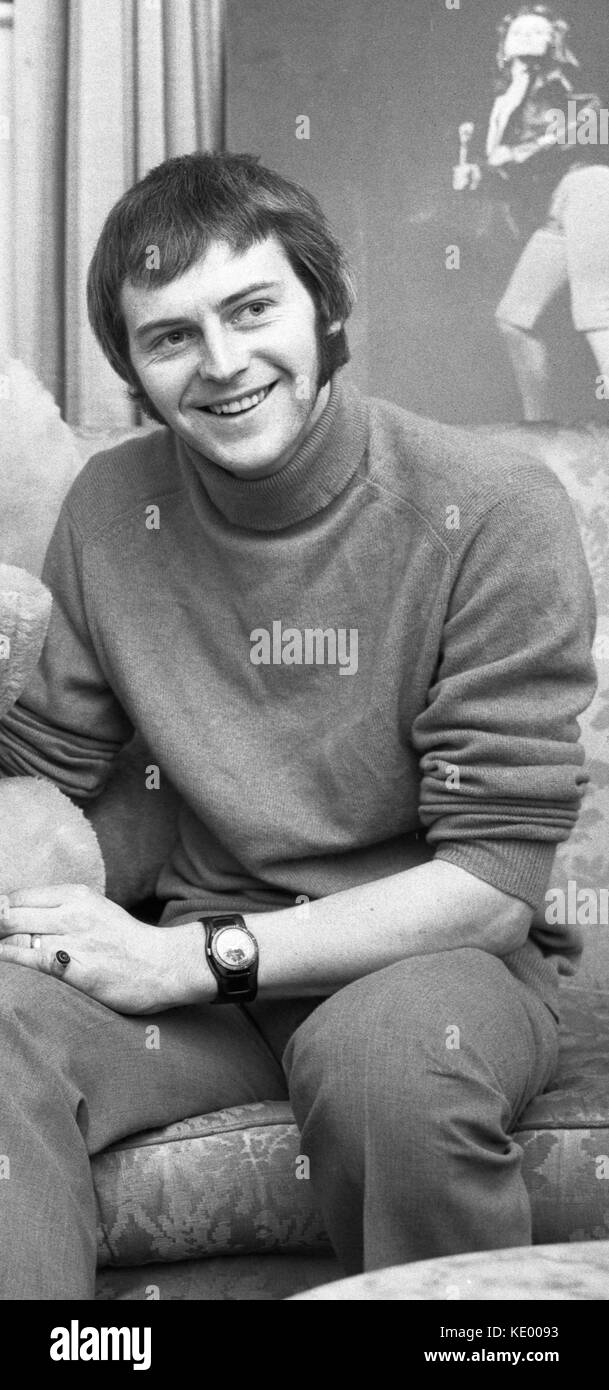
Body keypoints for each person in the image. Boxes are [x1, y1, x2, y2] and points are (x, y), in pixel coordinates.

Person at [0, 151, 597, 1298]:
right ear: (132, 368)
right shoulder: (112, 508)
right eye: (171, 336)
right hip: (201, 994)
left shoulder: (494, 510)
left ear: (326, 306)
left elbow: (493, 876)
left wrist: (191, 957)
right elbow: (48, 772)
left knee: (392, 1062)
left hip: (429, 966)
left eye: (252, 307)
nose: (223, 364)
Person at [454, 4, 609, 420]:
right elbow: (505, 169)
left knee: (598, 312)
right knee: (514, 319)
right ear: (503, 44)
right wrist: (480, 174)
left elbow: (595, 126)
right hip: (556, 205)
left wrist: (515, 154)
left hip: (591, 188)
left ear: (553, 42)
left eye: (536, 31)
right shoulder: (501, 96)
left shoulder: (569, 82)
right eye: (517, 31)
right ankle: (538, 427)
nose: (525, 37)